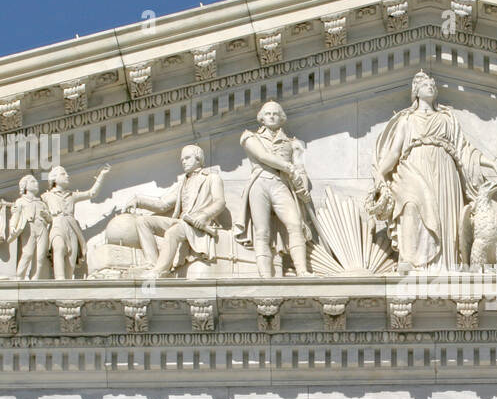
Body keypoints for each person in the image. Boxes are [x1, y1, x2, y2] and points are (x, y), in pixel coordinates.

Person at [370, 71, 497, 272]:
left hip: (444, 171)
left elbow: (464, 150)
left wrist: (491, 162)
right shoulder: (407, 120)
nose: (430, 87)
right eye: (425, 85)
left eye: (432, 84)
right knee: (411, 203)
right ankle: (413, 261)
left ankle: (444, 265)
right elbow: (394, 152)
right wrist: (380, 173)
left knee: (443, 215)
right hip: (413, 165)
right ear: (415, 91)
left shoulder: (447, 118)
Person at [235, 101, 313, 277]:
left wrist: (304, 188)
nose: (271, 116)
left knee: (295, 224)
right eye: (268, 113)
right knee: (262, 231)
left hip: (281, 185)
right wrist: (288, 167)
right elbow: (263, 156)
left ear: (282, 118)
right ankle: (265, 275)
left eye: (275, 114)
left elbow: (300, 168)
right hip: (259, 183)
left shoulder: (293, 143)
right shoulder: (250, 137)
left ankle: (302, 270)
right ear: (261, 118)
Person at [122, 146, 224, 277]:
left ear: (198, 158)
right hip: (182, 222)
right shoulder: (183, 183)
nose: (183, 162)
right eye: (182, 159)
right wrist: (138, 201)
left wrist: (204, 216)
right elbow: (162, 204)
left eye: (187, 158)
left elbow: (220, 202)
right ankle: (152, 264)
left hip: (197, 226)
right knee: (143, 221)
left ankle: (161, 271)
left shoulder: (211, 178)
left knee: (172, 232)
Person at [43, 164, 110, 279]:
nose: (67, 176)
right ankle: (59, 280)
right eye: (63, 174)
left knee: (71, 257)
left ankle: (68, 282)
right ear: (54, 178)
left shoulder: (72, 195)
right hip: (57, 224)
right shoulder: (46, 196)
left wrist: (101, 176)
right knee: (59, 247)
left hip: (72, 226)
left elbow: (91, 193)